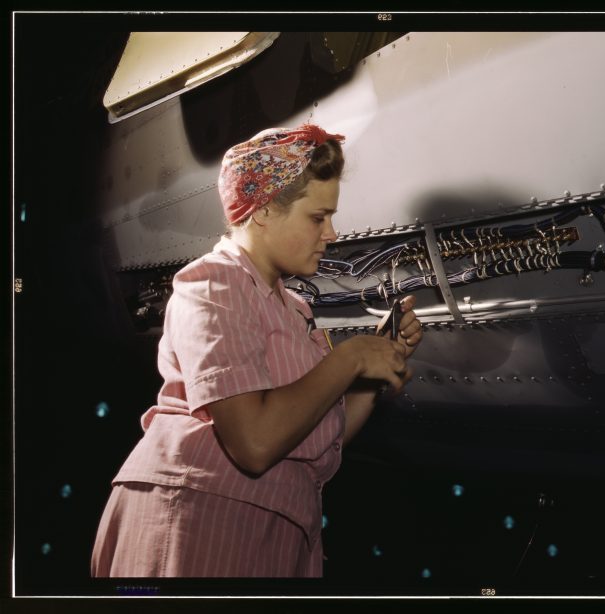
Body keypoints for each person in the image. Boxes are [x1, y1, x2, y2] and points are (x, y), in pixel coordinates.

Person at [91, 124, 423, 577]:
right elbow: (256, 442)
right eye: (317, 217)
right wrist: (349, 358)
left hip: (274, 534)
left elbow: (317, 441)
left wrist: (373, 370)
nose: (331, 233)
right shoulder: (213, 283)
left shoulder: (294, 309)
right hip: (196, 522)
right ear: (264, 211)